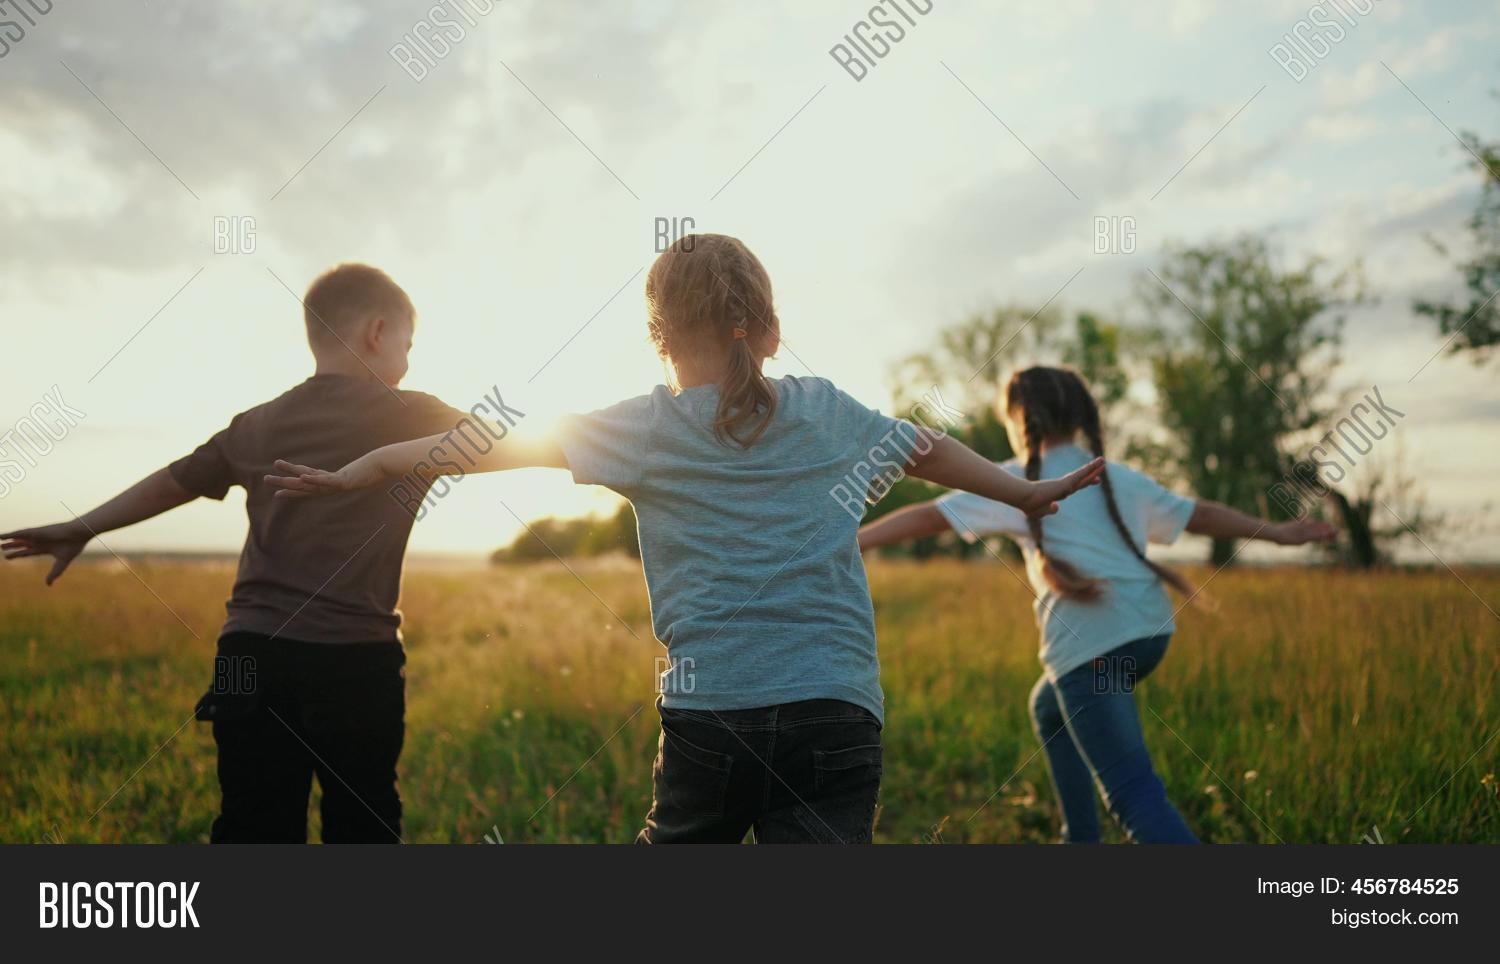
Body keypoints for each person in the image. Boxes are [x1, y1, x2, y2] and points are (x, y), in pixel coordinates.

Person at [264, 235, 1105, 843]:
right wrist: (1023, 487)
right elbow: (928, 449)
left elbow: (480, 442)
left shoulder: (643, 428)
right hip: (835, 709)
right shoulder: (825, 409)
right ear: (769, 331)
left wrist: (365, 468)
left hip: (711, 716)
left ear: (659, 339)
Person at [1, 263, 498, 843]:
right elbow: (507, 440)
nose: (408, 361)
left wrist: (85, 526)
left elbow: (173, 481)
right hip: (354, 659)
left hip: (248, 654)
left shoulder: (257, 423)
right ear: (378, 332)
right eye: (408, 345)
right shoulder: (415, 413)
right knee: (364, 824)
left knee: (251, 824)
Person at [855, 365, 1334, 843]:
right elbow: (1198, 514)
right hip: (1148, 636)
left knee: (1133, 795)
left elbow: (929, 516)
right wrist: (1276, 532)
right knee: (1048, 707)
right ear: (1081, 415)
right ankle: (1080, 838)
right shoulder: (1114, 475)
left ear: (1019, 419)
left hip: (1096, 651)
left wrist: (854, 539)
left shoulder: (1017, 480)